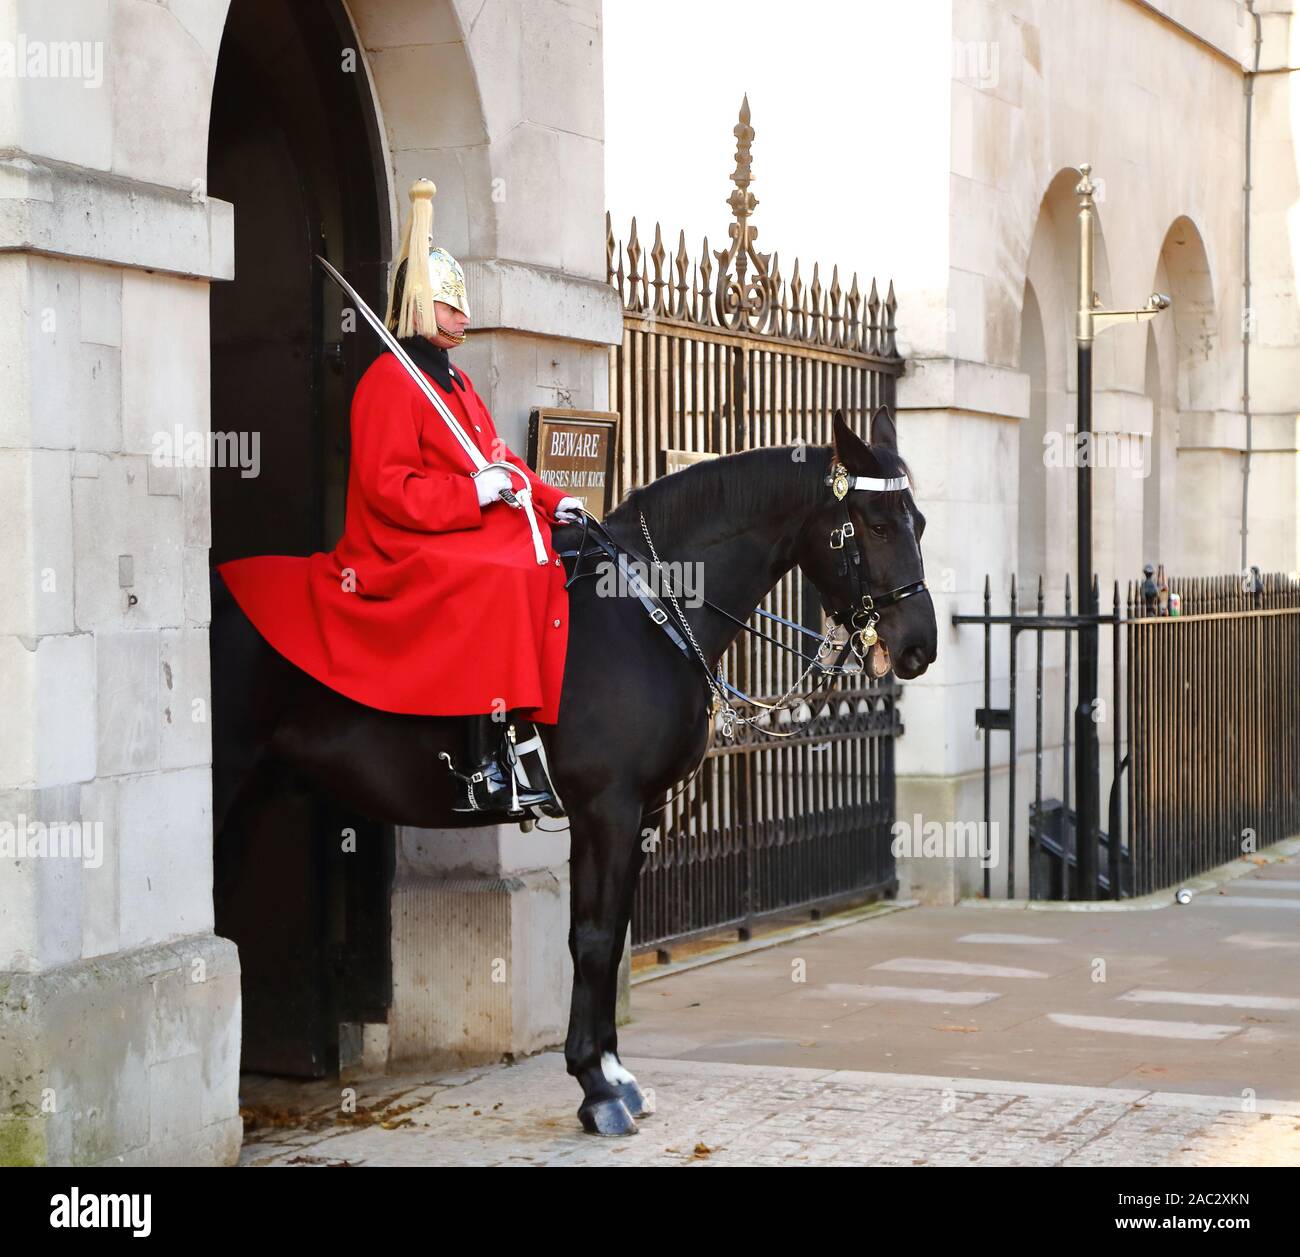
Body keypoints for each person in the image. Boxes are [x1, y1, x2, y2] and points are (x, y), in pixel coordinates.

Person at [218, 179, 583, 816]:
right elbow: (389, 488)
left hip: (456, 525)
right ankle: (487, 757)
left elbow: (498, 458)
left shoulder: (458, 381)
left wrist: (550, 501)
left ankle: (523, 736)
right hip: (399, 540)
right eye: (451, 306)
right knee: (498, 575)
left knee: (545, 558)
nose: (463, 319)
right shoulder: (389, 380)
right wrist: (471, 496)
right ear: (419, 306)